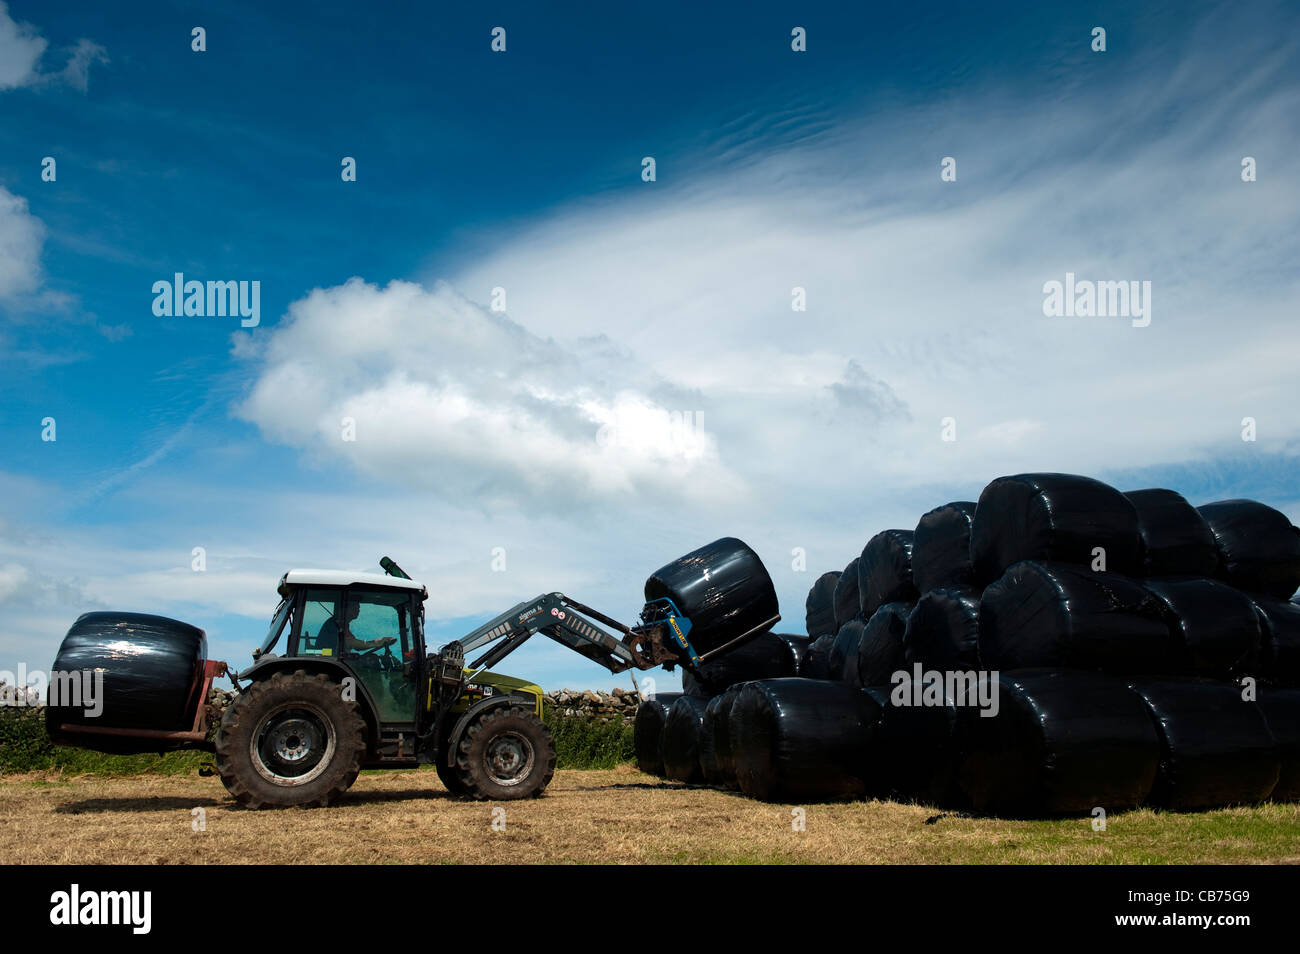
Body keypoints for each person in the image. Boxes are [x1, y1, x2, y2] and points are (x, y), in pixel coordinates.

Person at [315, 601, 397, 654]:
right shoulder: (335, 623)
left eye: (358, 607)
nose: (358, 610)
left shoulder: (344, 624)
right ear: (345, 608)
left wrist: (379, 641)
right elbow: (350, 642)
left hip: (332, 654)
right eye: (355, 607)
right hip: (326, 654)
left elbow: (356, 645)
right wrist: (377, 643)